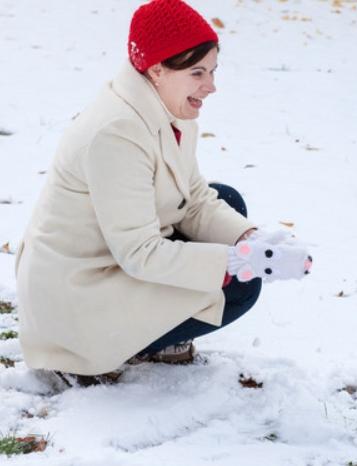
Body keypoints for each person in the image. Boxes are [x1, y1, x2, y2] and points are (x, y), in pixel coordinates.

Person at [14, 0, 312, 383]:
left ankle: (158, 332)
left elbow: (195, 198)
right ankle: (100, 352)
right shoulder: (116, 133)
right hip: (78, 293)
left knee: (228, 201)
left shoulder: (169, 107)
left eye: (213, 71)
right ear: (157, 69)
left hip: (113, 256)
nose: (211, 86)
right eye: (198, 72)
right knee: (240, 286)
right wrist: (238, 261)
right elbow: (139, 253)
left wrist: (250, 238)